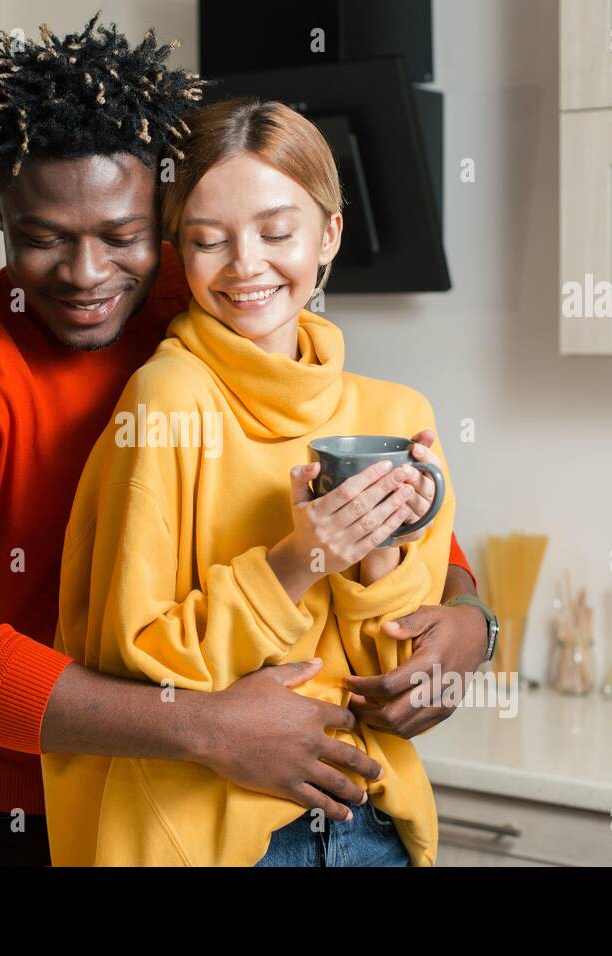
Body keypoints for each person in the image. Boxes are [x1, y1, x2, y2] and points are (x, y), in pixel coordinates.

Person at [0, 16, 489, 867]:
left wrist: (470, 620)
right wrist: (197, 727)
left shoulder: (210, 302)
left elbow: (390, 516)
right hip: (33, 806)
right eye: (41, 238)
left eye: (122, 237)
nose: (85, 275)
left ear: (161, 220)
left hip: (261, 805)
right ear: (3, 217)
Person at [43, 98, 454, 867]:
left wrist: (380, 553)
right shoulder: (167, 400)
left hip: (371, 825)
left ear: (329, 233)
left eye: (276, 231)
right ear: (177, 252)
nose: (245, 266)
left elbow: (395, 684)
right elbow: (137, 666)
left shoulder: (397, 417)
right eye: (208, 241)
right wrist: (299, 559)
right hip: (212, 835)